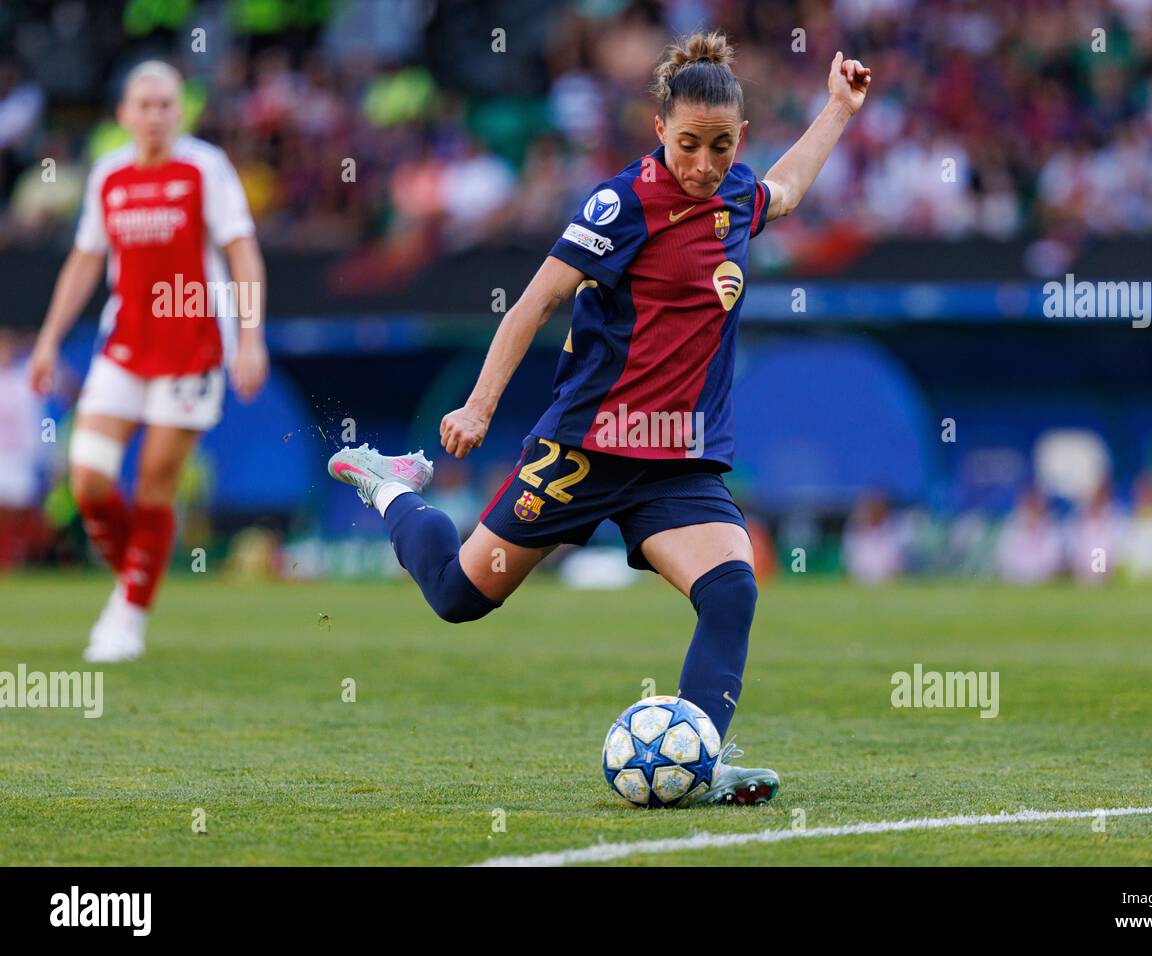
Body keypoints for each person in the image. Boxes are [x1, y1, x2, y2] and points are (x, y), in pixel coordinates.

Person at [328, 33, 870, 806]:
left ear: (739, 139)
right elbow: (536, 302)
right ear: (659, 130)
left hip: (677, 464)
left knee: (731, 590)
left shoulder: (735, 199)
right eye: (688, 145)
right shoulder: (619, 205)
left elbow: (784, 190)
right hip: (586, 450)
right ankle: (391, 487)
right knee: (456, 596)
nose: (704, 164)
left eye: (720, 147)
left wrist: (838, 109)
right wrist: (478, 407)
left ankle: (701, 763)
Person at [27, 60, 268, 661]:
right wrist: (50, 337)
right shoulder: (108, 174)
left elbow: (243, 253)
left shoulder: (204, 168)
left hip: (192, 349)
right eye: (145, 104)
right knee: (88, 482)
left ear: (180, 111)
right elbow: (85, 260)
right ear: (124, 114)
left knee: (155, 484)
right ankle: (134, 580)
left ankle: (128, 615)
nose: (156, 114)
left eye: (167, 104)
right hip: (124, 347)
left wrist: (251, 336)